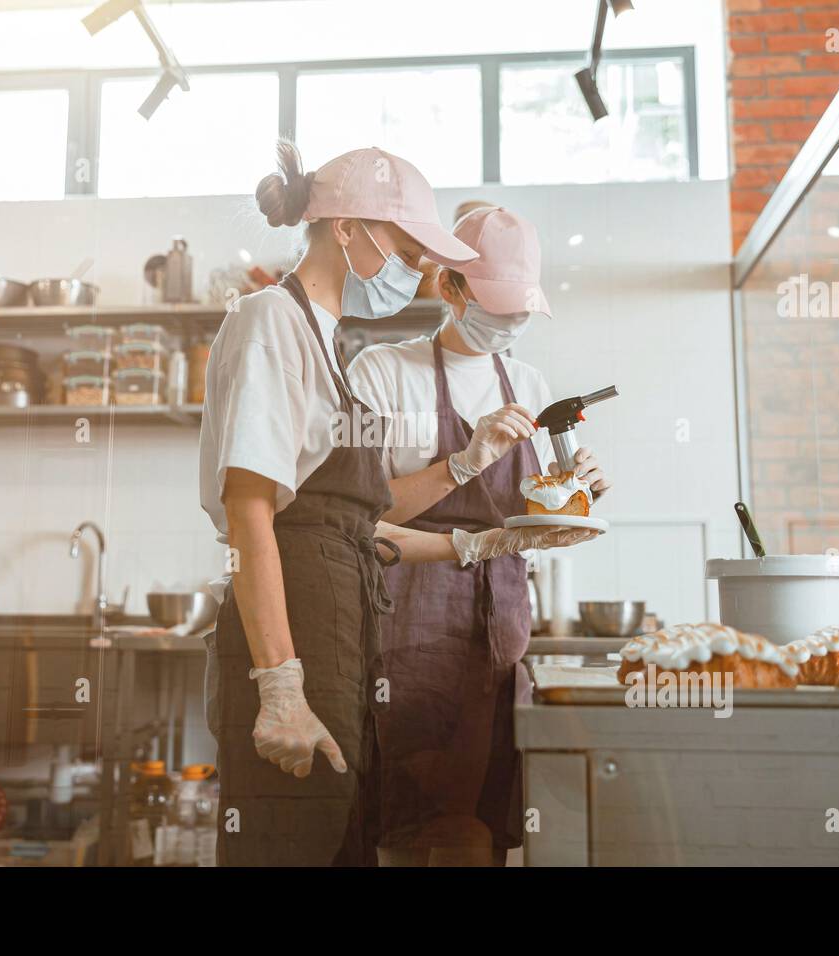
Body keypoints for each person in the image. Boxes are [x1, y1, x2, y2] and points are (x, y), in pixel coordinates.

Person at [198, 144, 596, 866]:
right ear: (346, 228)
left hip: (342, 631)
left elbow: (353, 529)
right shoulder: (270, 320)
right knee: (299, 844)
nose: (414, 272)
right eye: (409, 251)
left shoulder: (321, 337)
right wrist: (280, 685)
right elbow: (249, 512)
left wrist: (498, 538)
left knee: (335, 841)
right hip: (306, 639)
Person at [348, 205, 610, 866]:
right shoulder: (381, 374)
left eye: (521, 311)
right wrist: (464, 461)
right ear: (450, 289)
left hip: (499, 641)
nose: (510, 324)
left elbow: (532, 514)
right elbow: (355, 519)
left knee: (481, 828)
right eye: (497, 306)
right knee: (409, 826)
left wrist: (575, 492)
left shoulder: (527, 383)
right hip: (406, 639)